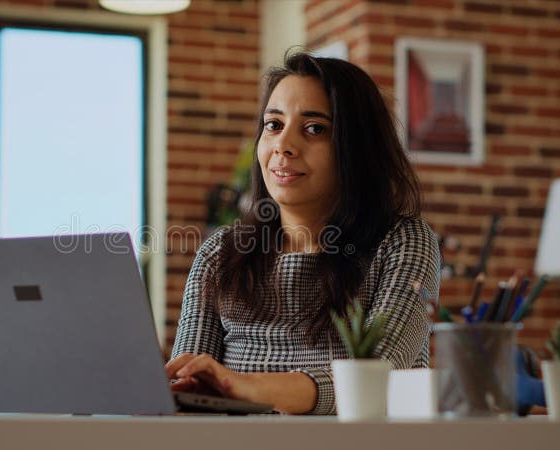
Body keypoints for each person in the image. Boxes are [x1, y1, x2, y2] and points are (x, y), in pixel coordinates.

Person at [165, 52, 441, 415]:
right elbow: (191, 385)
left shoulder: (404, 241)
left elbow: (377, 379)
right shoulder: (221, 251)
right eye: (273, 125)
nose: (283, 145)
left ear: (356, 148)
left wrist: (244, 386)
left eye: (314, 128)